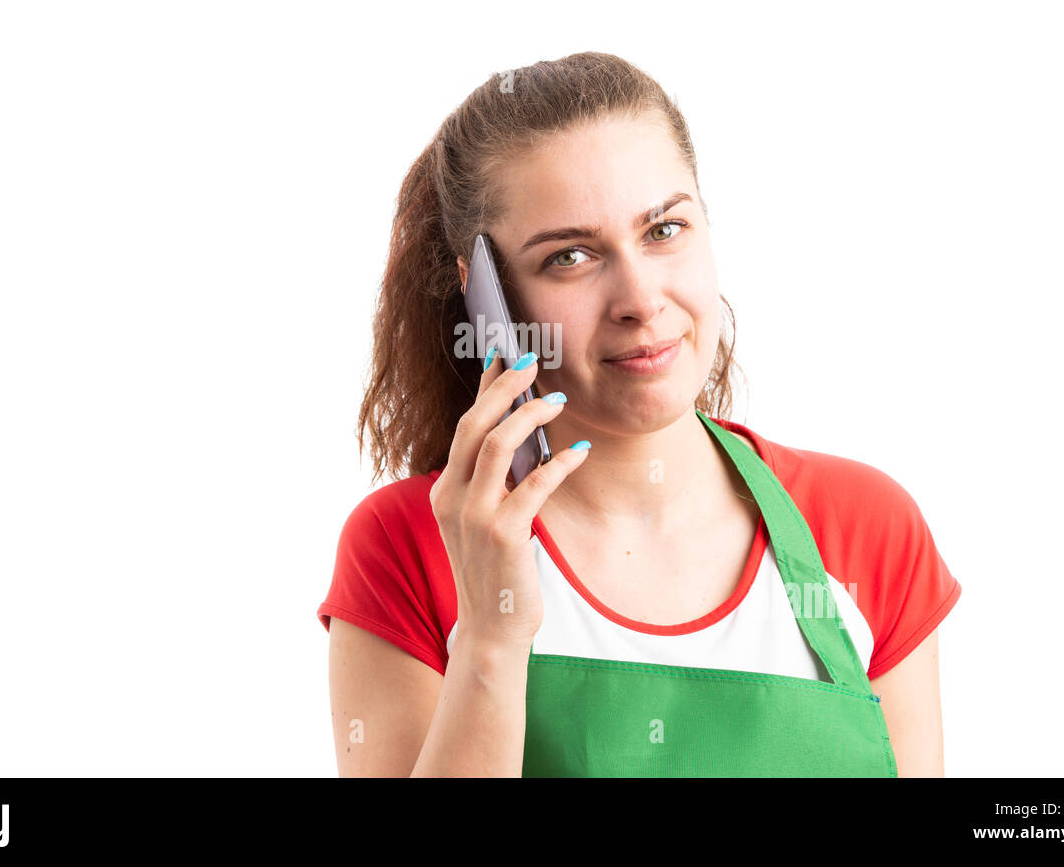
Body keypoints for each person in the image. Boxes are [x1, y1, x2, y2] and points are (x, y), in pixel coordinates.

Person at [317, 51, 961, 777]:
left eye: (663, 231)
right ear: (487, 300)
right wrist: (492, 642)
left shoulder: (864, 527)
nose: (641, 299)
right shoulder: (408, 550)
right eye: (570, 257)